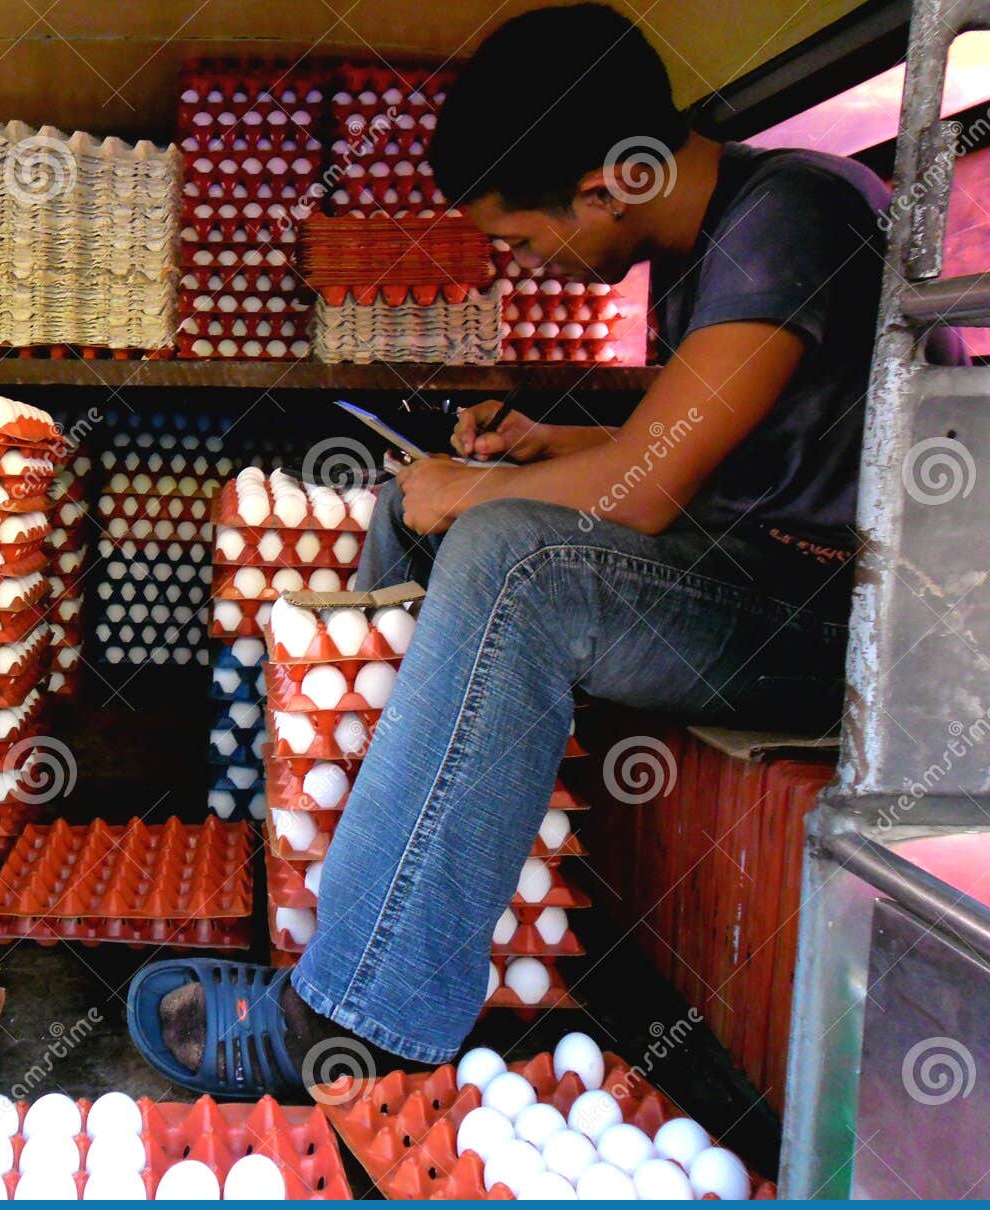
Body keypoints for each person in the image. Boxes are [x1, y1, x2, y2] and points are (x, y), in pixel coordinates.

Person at [126, 2, 964, 1096]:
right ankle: (332, 855)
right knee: (408, 507)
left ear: (605, 185)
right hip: (767, 572)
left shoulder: (788, 213)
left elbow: (655, 487)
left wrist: (485, 487)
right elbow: (707, 446)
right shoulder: (714, 231)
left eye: (521, 240)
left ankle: (356, 1009)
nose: (522, 263)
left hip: (848, 621)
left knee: (507, 554)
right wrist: (544, 446)